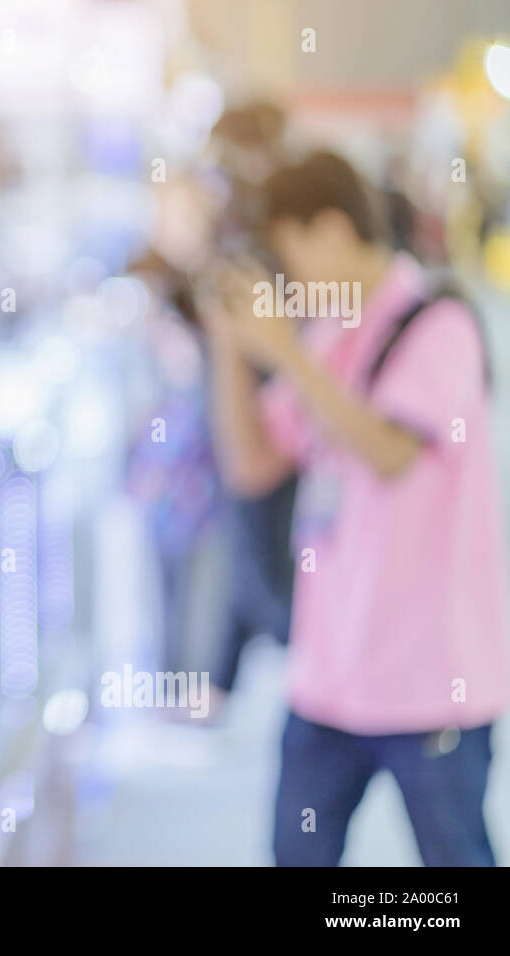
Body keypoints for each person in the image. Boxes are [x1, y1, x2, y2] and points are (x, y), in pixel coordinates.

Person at [201, 151, 508, 866]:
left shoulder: (440, 324)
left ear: (333, 231)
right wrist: (230, 347)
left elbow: (387, 453)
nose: (291, 278)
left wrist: (284, 348)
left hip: (433, 687)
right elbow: (252, 466)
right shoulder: (330, 335)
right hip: (329, 677)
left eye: (291, 252)